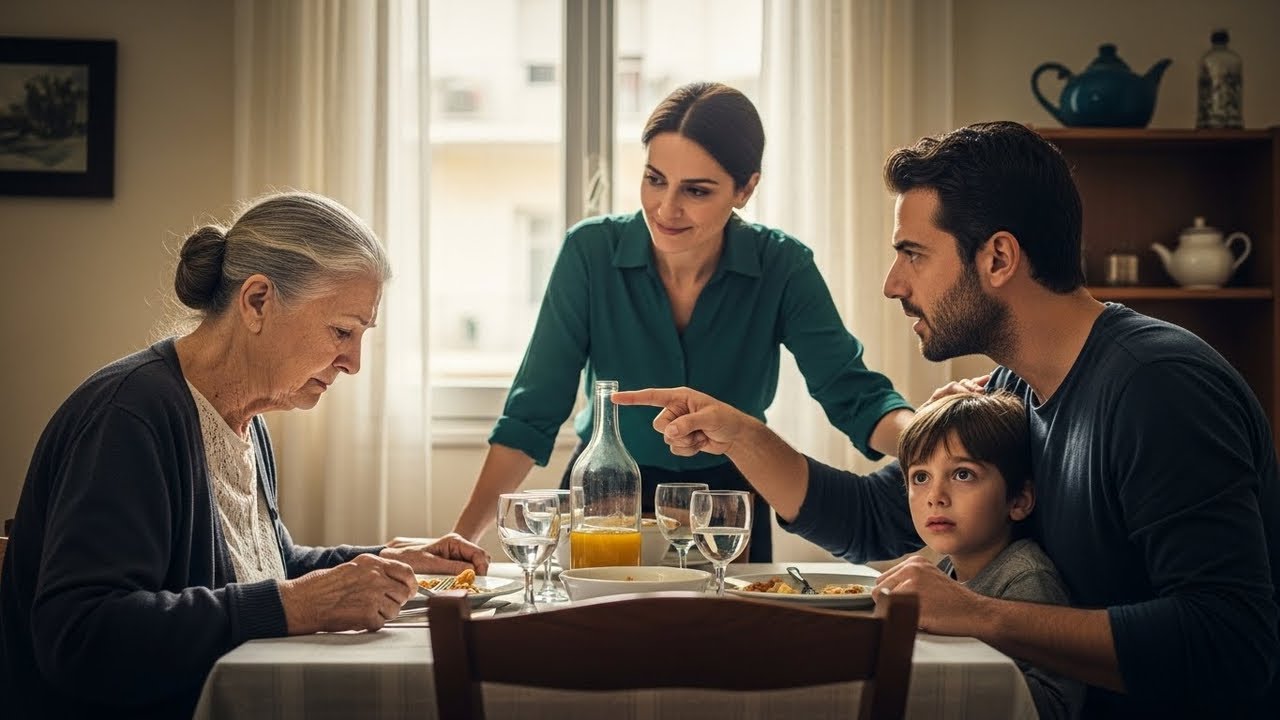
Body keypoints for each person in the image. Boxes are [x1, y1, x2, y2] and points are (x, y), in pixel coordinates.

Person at [613, 121, 1279, 718]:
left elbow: (1231, 641)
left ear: (997, 258)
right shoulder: (1015, 388)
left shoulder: (1157, 389)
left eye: (913, 253)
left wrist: (981, 614)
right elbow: (880, 514)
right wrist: (742, 436)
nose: (893, 284)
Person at [0, 192, 490, 718]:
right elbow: (80, 635)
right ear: (257, 302)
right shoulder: (129, 415)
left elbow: (260, 569)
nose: (353, 363)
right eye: (342, 331)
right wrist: (297, 605)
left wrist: (383, 562)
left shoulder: (241, 420)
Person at [450, 81, 913, 561]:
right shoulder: (589, 252)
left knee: (729, 636)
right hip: (605, 498)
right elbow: (533, 413)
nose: (666, 208)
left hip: (727, 508)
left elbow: (854, 394)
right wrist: (463, 539)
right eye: (654, 179)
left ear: (746, 188)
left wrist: (939, 438)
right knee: (592, 634)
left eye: (696, 190)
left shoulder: (783, 265)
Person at [895, 390, 1082, 720]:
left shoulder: (1026, 576)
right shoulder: (945, 572)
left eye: (962, 474)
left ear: (1019, 501)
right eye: (920, 477)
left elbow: (1056, 705)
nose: (935, 497)